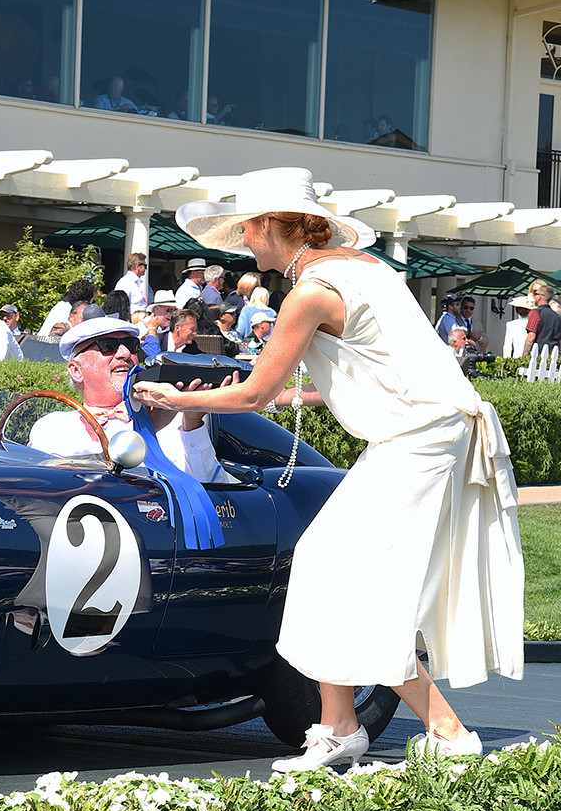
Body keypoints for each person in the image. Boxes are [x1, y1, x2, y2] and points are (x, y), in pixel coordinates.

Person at [136, 166, 521, 771]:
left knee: (355, 582)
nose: (244, 243)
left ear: (267, 225)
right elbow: (384, 371)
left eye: (246, 230)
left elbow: (251, 398)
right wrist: (295, 395)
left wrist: (174, 398)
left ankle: (444, 730)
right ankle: (339, 724)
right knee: (322, 564)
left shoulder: (310, 291)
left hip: (417, 440)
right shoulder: (367, 271)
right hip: (427, 433)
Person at [27, 317, 224, 483]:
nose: (125, 354)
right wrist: (147, 429)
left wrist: (193, 423)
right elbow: (65, 486)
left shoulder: (174, 419)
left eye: (131, 346)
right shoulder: (54, 426)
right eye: (108, 346)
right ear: (77, 371)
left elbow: (215, 494)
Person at [523, 281, 561, 355]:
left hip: (538, 355)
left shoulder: (535, 313)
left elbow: (531, 338)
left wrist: (524, 355)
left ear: (540, 296)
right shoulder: (557, 317)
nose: (534, 296)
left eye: (535, 294)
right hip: (553, 356)